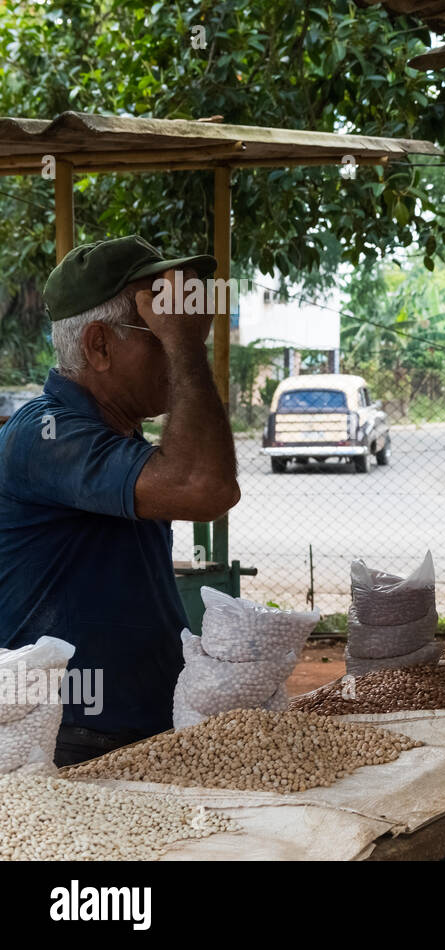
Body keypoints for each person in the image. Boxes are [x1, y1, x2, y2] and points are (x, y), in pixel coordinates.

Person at [0, 235, 241, 765]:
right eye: (155, 327)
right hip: (71, 735)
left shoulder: (116, 437)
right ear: (98, 346)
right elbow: (205, 487)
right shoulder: (45, 435)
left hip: (133, 724)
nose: (177, 332)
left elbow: (202, 483)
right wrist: (186, 345)